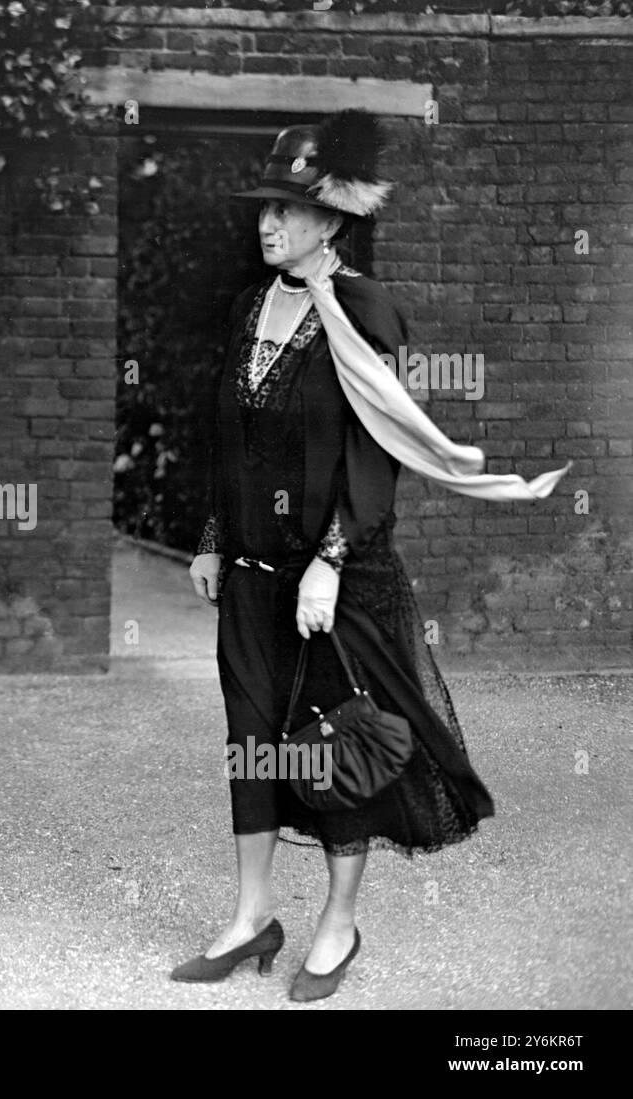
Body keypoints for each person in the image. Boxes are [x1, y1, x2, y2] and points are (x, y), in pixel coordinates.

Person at [172, 110, 568, 1002]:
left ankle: (338, 923)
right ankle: (250, 918)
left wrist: (332, 558)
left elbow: (375, 452)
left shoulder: (365, 310)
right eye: (263, 208)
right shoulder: (249, 307)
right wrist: (210, 538)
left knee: (329, 743)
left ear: (333, 219)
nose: (267, 224)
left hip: (333, 582)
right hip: (248, 573)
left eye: (287, 209)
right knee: (251, 744)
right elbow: (230, 439)